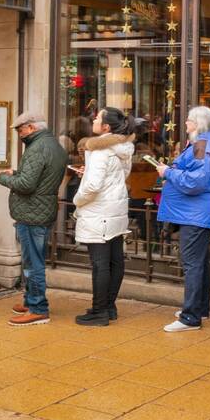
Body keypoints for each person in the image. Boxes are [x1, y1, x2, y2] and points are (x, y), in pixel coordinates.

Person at [0, 111, 68, 326]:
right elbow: (39, 176)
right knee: (33, 259)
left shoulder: (37, 148)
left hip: (32, 212)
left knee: (33, 263)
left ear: (31, 127)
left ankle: (37, 308)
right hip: (41, 209)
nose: (18, 134)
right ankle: (30, 300)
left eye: (20, 129)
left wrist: (2, 177)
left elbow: (26, 185)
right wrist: (17, 172)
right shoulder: (53, 145)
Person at [156, 106, 210, 332]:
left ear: (199, 124)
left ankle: (190, 317)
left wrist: (168, 172)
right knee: (199, 262)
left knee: (192, 264)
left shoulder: (201, 145)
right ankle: (199, 308)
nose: (185, 124)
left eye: (189, 120)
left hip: (193, 213)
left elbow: (195, 182)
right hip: (195, 212)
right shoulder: (204, 144)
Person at [72, 106, 135, 326]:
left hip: (98, 212)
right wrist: (87, 171)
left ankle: (99, 311)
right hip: (115, 210)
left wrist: (77, 199)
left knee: (100, 264)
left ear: (106, 126)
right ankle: (109, 306)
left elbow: (92, 186)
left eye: (97, 117)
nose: (94, 119)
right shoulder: (122, 147)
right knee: (115, 260)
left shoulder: (99, 149)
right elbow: (120, 174)